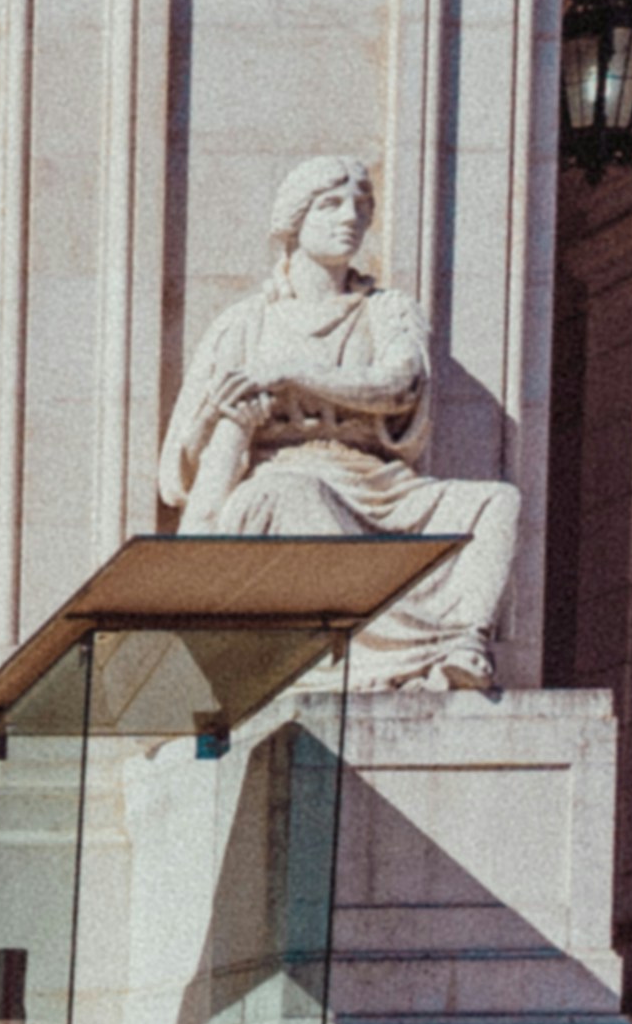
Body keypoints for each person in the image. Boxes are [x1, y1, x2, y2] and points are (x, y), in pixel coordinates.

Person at [156, 152, 514, 690]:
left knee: (496, 503)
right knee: (296, 494)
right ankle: (402, 650)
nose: (350, 216)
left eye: (360, 206)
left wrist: (294, 373)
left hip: (378, 483)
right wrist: (220, 413)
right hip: (284, 478)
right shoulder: (246, 324)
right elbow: (177, 469)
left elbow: (401, 382)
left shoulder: (387, 310)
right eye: (330, 204)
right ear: (295, 222)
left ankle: (461, 639)